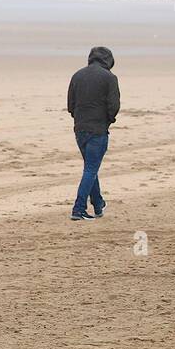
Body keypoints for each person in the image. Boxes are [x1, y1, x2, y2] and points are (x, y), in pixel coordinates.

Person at [66, 46, 120, 221]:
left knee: (91, 167)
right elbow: (114, 106)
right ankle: (79, 208)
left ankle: (98, 204)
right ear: (109, 60)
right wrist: (108, 120)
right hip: (97, 130)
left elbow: (70, 104)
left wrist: (79, 118)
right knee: (90, 169)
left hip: (79, 129)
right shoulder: (110, 78)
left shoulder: (77, 75)